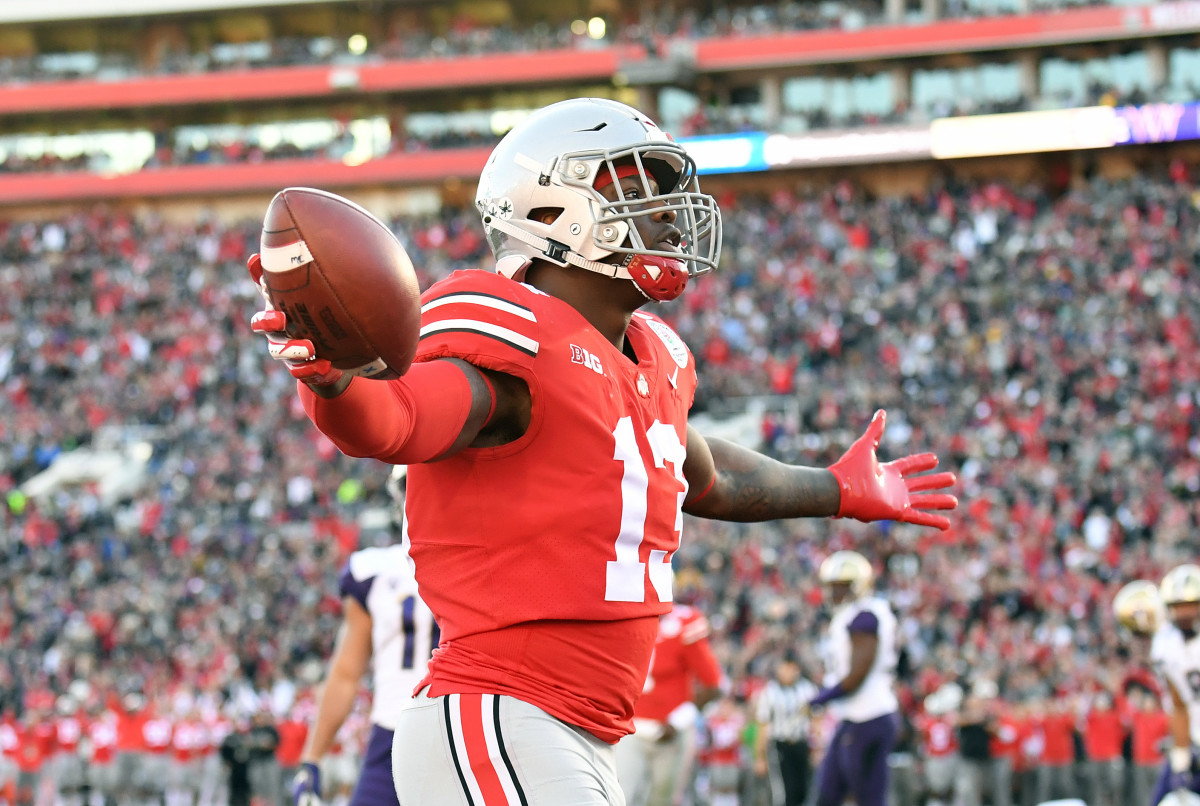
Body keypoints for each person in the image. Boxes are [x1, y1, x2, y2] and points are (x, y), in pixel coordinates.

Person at [247, 96, 957, 804]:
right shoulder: (515, 345)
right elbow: (399, 417)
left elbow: (706, 475)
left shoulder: (650, 361)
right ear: (555, 212)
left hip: (573, 734)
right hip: (499, 712)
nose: (669, 213)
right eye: (636, 188)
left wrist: (834, 488)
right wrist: (336, 384)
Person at [292, 467, 438, 806]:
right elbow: (345, 674)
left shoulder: (485, 556)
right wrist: (311, 758)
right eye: (409, 486)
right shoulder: (375, 570)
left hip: (469, 727)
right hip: (393, 730)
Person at [809, 550, 901, 806]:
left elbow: (857, 674)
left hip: (870, 715)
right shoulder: (856, 614)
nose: (833, 593)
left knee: (868, 796)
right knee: (828, 791)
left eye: (839, 587)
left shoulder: (865, 616)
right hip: (854, 716)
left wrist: (819, 698)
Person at [614, 601, 722, 806]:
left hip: (669, 730)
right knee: (620, 796)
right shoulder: (623, 615)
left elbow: (713, 685)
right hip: (627, 729)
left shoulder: (683, 623)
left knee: (662, 800)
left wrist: (679, 720)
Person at [1149, 564, 1200, 805]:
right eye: (1177, 606)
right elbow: (1179, 704)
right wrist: (1181, 759)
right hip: (1195, 742)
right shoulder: (1165, 644)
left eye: (1190, 605)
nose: (1184, 614)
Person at [753, 653, 817, 806]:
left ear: (797, 669)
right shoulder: (770, 692)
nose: (788, 672)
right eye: (785, 668)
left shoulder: (807, 689)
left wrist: (817, 747)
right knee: (783, 792)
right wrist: (760, 756)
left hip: (801, 744)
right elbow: (763, 725)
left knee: (802, 790)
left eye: (791, 668)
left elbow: (816, 720)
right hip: (780, 745)